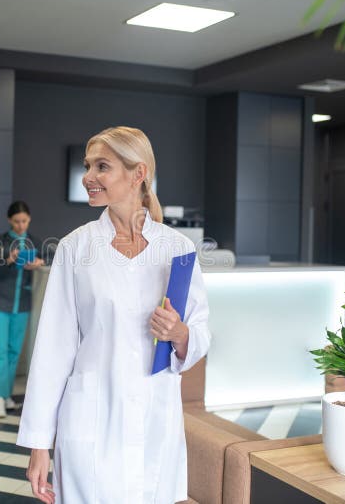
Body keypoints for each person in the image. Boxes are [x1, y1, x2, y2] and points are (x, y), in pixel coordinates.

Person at [16, 126, 211, 503]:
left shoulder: (177, 249)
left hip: (156, 422)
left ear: (138, 173)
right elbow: (53, 349)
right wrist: (39, 444)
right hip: (91, 424)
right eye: (88, 166)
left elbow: (200, 333)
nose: (88, 177)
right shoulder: (76, 248)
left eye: (101, 166)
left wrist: (180, 334)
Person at [0, 200, 45, 417]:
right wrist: (7, 260)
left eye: (25, 221)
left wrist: (39, 263)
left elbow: (50, 258)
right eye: (17, 221)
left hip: (22, 305)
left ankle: (7, 395)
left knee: (13, 352)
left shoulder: (34, 242)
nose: (21, 225)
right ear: (10, 220)